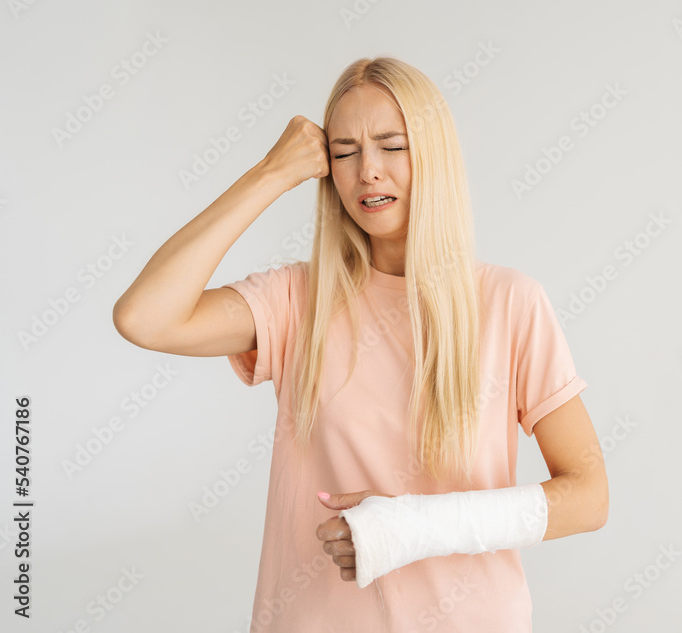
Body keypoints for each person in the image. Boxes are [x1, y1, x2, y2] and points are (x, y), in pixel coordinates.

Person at [112, 55, 609, 632]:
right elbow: (144, 318)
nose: (368, 171)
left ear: (432, 154)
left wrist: (409, 527)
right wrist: (271, 173)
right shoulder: (297, 300)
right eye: (344, 153)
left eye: (391, 146)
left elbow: (589, 496)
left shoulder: (510, 302)